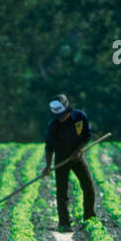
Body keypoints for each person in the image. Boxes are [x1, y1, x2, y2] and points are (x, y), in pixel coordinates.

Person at [42, 94, 96, 231]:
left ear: (67, 108)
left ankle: (89, 218)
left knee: (88, 185)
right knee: (62, 192)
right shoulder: (53, 125)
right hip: (61, 159)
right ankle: (64, 222)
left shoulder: (79, 117)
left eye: (62, 115)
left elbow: (87, 135)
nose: (61, 118)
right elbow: (49, 147)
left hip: (77, 157)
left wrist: (79, 150)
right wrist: (48, 166)